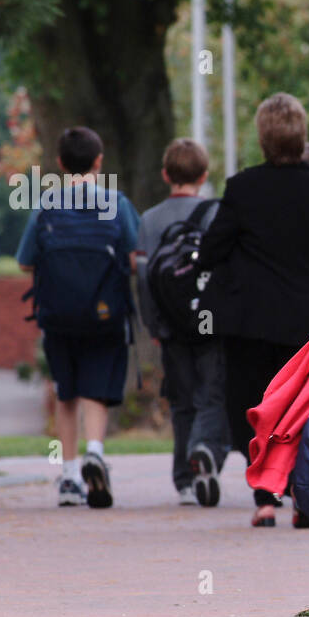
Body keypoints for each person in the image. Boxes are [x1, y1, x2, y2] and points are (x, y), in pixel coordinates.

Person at [197, 93, 309, 528]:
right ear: (303, 137)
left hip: (253, 323)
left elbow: (211, 252)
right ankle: (304, 495)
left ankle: (266, 497)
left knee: (257, 406)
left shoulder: (243, 188)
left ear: (262, 138)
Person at [16, 126, 140, 508]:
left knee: (64, 391)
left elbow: (24, 263)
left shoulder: (45, 206)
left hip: (57, 316)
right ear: (98, 161)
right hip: (105, 314)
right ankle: (96, 452)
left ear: (60, 163)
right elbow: (133, 259)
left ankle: (69, 477)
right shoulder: (116, 203)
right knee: (96, 389)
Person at [135, 138, 229, 507]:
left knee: (181, 399)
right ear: (204, 175)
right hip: (208, 319)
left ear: (165, 175)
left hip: (170, 324)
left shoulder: (150, 219)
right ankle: (205, 449)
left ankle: (184, 479)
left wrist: (152, 323)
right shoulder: (216, 212)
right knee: (212, 393)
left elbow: (143, 278)